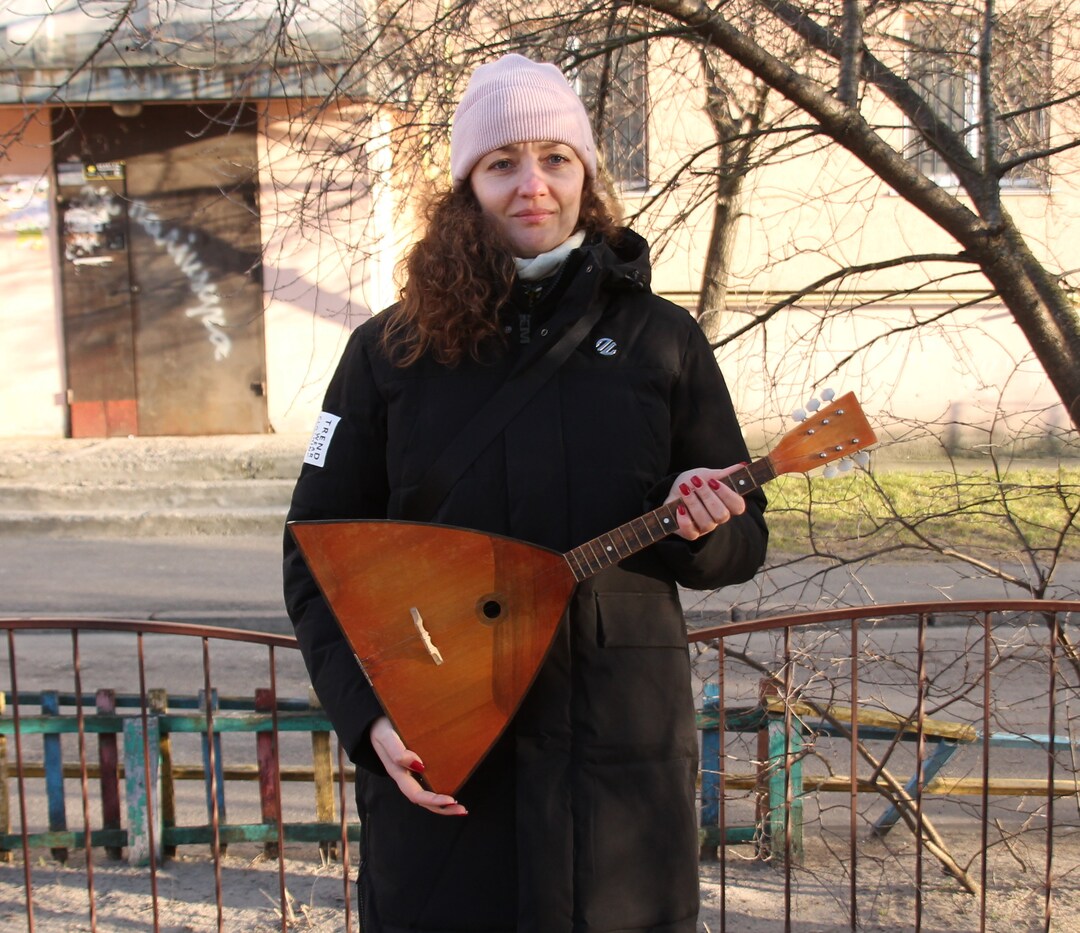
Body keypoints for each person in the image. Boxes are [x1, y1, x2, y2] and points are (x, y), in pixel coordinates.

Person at [283, 53, 768, 933]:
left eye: (556, 157)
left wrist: (708, 524)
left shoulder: (663, 342)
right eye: (502, 162)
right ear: (468, 185)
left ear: (588, 172)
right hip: (446, 767)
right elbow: (315, 553)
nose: (532, 184)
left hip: (618, 779)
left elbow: (742, 543)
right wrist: (369, 719)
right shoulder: (387, 352)